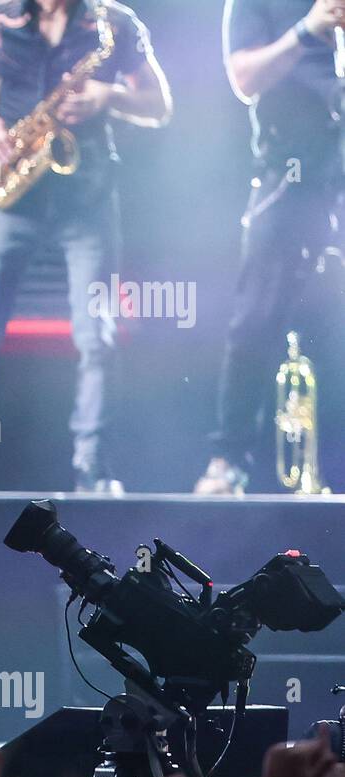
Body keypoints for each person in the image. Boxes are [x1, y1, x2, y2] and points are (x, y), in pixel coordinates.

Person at [0, 0, 172, 493]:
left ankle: (93, 469)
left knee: (96, 336)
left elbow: (160, 106)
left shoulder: (113, 22)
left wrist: (110, 97)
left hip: (88, 197)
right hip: (12, 196)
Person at [195, 0, 345, 494]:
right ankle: (228, 460)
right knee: (255, 319)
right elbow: (244, 78)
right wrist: (307, 30)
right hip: (290, 173)